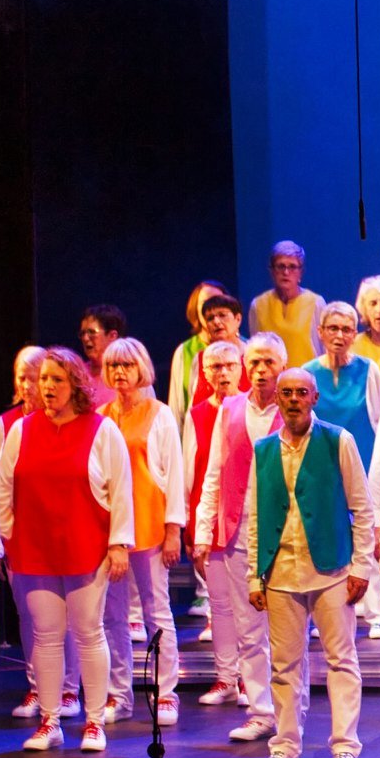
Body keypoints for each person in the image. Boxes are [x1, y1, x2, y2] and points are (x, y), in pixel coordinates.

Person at [240, 369, 377, 758]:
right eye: (287, 393)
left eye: (302, 392)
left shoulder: (338, 440)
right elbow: (256, 516)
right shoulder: (264, 449)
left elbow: (362, 506)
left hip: (332, 568)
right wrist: (253, 575)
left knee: (341, 659)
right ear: (277, 399)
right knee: (284, 665)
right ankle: (284, 745)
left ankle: (345, 747)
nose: (294, 399)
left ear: (314, 397)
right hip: (280, 570)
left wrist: (361, 566)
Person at [0, 347, 133, 754]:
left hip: (84, 545)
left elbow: (120, 490)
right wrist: (3, 539)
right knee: (45, 636)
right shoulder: (22, 429)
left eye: (57, 379)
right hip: (34, 547)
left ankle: (93, 721)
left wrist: (118, 542)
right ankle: (50, 720)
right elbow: (2, 488)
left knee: (89, 633)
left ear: (75, 384)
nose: (48, 387)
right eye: (43, 380)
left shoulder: (101, 429)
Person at [192, 334, 285, 743]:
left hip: (285, 536)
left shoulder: (295, 407)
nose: (261, 369)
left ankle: (289, 711)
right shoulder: (229, 410)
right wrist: (202, 531)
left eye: (269, 362)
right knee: (248, 628)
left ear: (282, 365)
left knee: (285, 629)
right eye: (255, 362)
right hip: (237, 530)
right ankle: (261, 710)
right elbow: (213, 473)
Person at [95, 339, 185, 727]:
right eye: (113, 366)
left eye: (127, 366)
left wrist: (173, 530)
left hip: (149, 524)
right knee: (113, 616)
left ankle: (166, 693)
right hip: (112, 530)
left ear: (141, 369)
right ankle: (121, 693)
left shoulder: (159, 414)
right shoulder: (100, 417)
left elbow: (174, 474)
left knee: (156, 611)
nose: (120, 373)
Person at [299, 302, 380, 639]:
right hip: (322, 468)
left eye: (346, 329)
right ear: (321, 333)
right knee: (322, 538)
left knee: (367, 537)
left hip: (362, 464)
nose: (339, 335)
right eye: (332, 328)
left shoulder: (368, 370)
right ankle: (321, 614)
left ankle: (376, 612)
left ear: (355, 334)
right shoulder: (307, 372)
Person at [183, 340, 246, 655]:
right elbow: (189, 471)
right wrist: (189, 522)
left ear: (240, 368)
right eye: (215, 367)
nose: (223, 373)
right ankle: (225, 671)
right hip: (209, 509)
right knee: (217, 595)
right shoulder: (196, 415)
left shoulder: (252, 410)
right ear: (204, 373)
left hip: (245, 513)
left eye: (229, 366)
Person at [249, 241, 329, 361]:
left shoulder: (316, 303)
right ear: (271, 271)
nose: (286, 272)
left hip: (307, 377)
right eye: (280, 266)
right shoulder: (258, 305)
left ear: (301, 272)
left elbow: (325, 350)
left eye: (292, 267)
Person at [166, 280, 232, 425]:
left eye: (217, 302)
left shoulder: (246, 349)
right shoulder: (185, 352)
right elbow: (177, 406)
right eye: (205, 302)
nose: (211, 308)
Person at [77, 305, 126, 410]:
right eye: (82, 333)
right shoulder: (77, 374)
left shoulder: (129, 376)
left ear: (113, 336)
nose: (85, 338)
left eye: (92, 332)